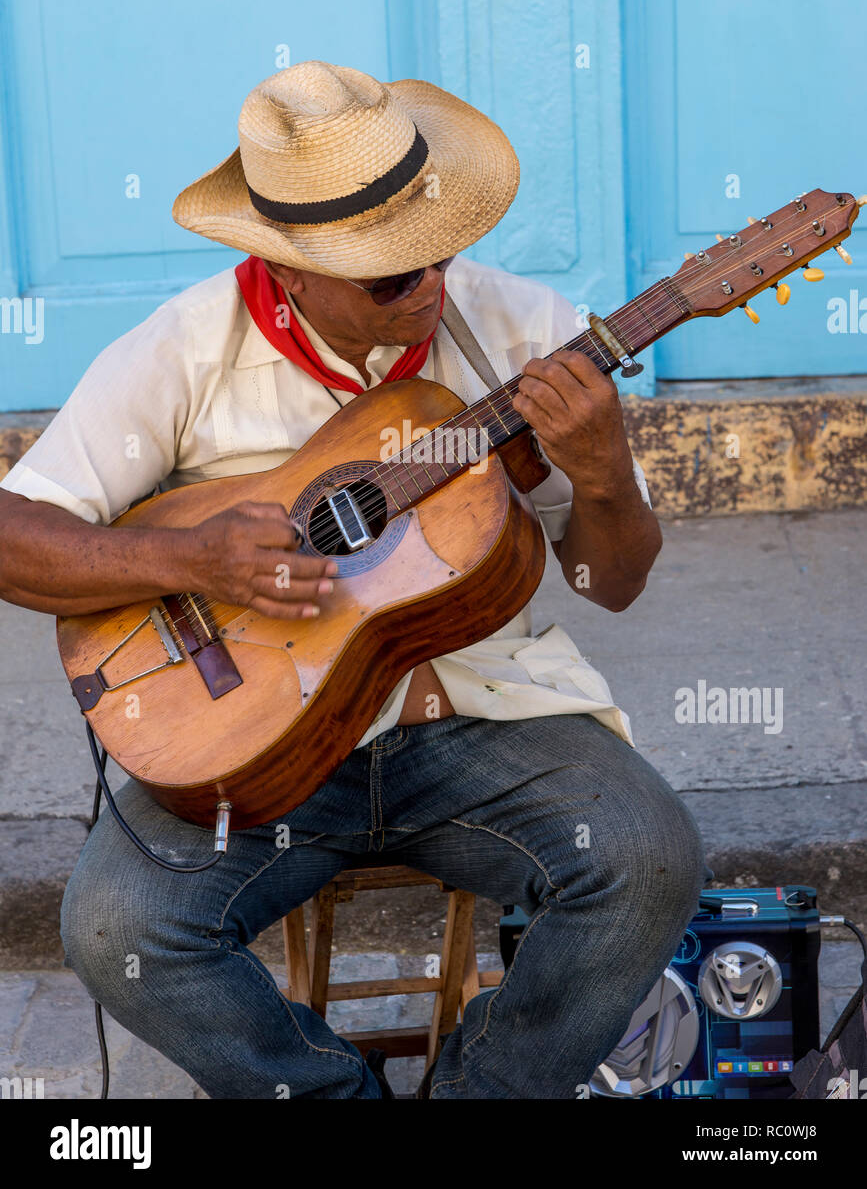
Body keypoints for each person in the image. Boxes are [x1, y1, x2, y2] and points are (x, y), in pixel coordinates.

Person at [0, 60, 708, 1098]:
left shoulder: (524, 330)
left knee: (648, 862)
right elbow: (18, 534)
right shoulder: (186, 349)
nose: (429, 289)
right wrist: (191, 557)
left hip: (479, 719)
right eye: (390, 277)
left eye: (440, 255)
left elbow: (611, 581)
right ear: (288, 267)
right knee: (117, 929)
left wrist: (602, 475)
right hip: (255, 751)